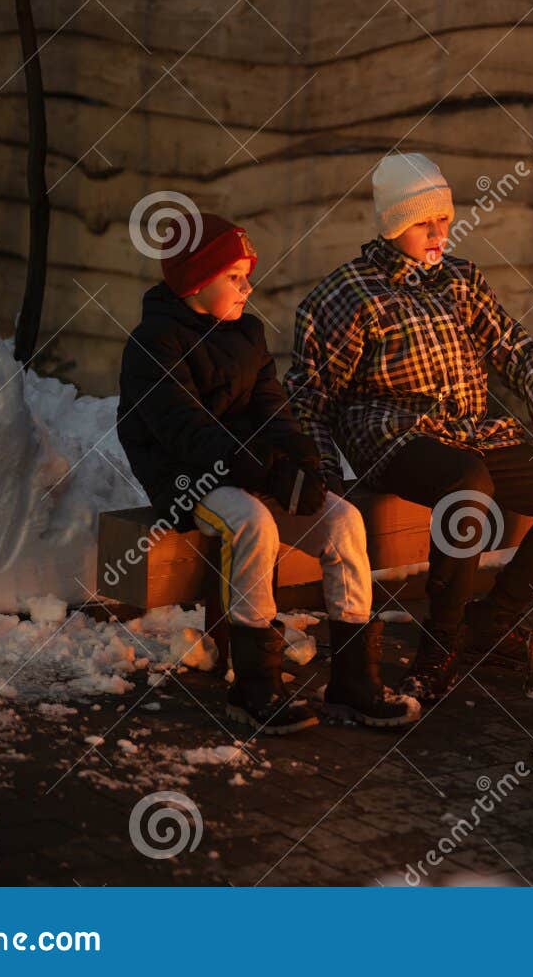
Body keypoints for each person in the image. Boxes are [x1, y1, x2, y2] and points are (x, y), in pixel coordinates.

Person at [286, 153, 533, 704]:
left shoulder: (460, 280)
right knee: (468, 483)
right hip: (393, 436)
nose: (439, 234)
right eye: (423, 223)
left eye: (444, 220)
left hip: (468, 432)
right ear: (392, 225)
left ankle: (490, 623)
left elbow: (515, 348)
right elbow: (309, 395)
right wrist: (322, 474)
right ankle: (438, 645)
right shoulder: (347, 295)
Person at [115, 214, 414, 735]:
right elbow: (186, 432)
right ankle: (255, 687)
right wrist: (266, 471)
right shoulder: (152, 343)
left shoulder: (247, 334)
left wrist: (304, 466)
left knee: (344, 521)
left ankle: (353, 681)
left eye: (247, 275)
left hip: (251, 468)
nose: (247, 287)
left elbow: (274, 412)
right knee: (253, 524)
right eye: (234, 276)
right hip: (187, 479)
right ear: (196, 281)